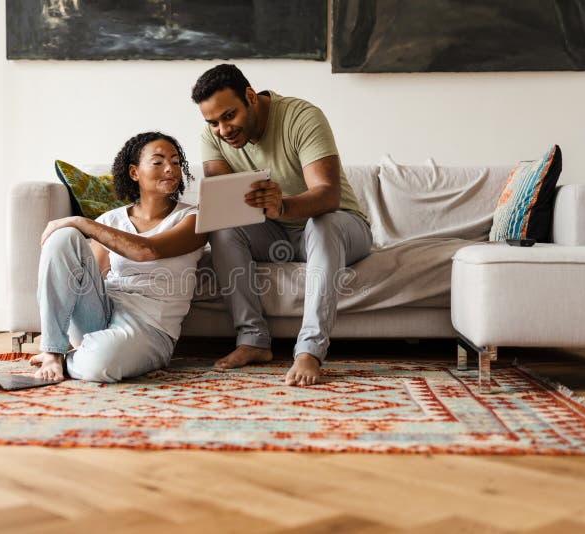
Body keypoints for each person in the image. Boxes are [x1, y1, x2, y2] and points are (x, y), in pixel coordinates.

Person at [192, 64, 373, 387]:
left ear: (250, 96)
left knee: (323, 224)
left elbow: (328, 195)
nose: (223, 129)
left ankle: (310, 351)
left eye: (229, 116)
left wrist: (283, 205)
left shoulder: (301, 117)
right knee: (223, 229)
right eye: (214, 122)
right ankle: (253, 340)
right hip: (273, 233)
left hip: (341, 227)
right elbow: (222, 198)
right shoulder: (213, 136)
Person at [31, 132, 207, 382]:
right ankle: (52, 352)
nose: (170, 169)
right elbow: (85, 278)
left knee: (99, 366)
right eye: (158, 162)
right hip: (101, 314)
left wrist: (81, 221)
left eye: (176, 162)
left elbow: (147, 250)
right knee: (63, 236)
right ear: (134, 172)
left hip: (150, 326)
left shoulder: (194, 219)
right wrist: (72, 228)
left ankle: (75, 357)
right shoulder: (111, 220)